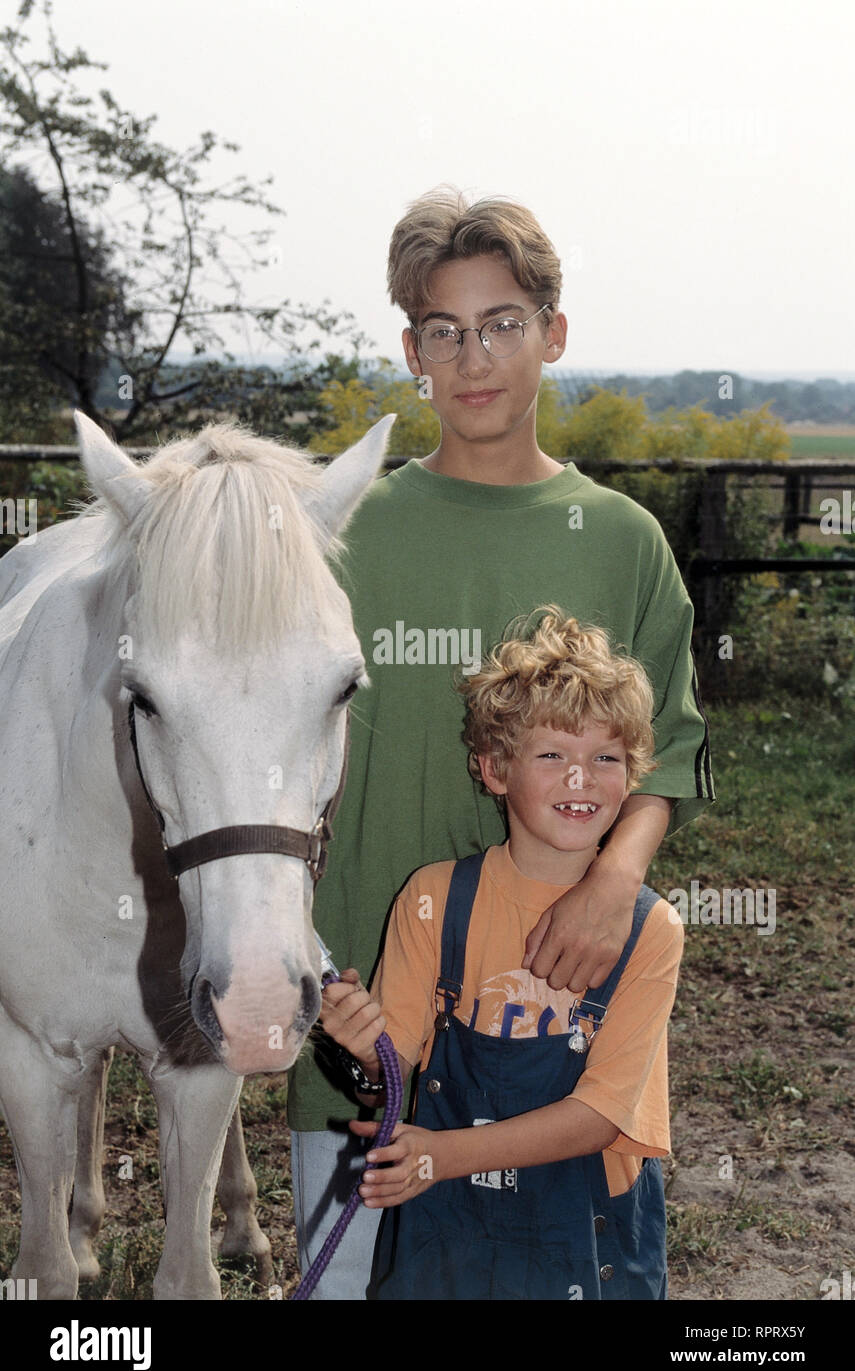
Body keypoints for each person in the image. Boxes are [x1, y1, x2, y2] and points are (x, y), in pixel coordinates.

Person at [288, 187, 713, 1298]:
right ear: (412, 352)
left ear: (552, 333)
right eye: (443, 330)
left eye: (503, 323)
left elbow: (671, 747)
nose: (473, 357)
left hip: (559, 1018)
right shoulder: (345, 533)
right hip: (371, 1020)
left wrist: (617, 879)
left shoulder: (622, 540)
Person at [320, 609, 682, 1299]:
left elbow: (602, 1115)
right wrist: (364, 1048)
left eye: (605, 758)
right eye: (552, 755)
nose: (580, 778)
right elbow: (391, 1073)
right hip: (444, 1236)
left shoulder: (650, 928)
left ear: (631, 774)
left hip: (583, 1239)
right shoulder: (431, 900)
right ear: (493, 769)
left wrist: (441, 1156)